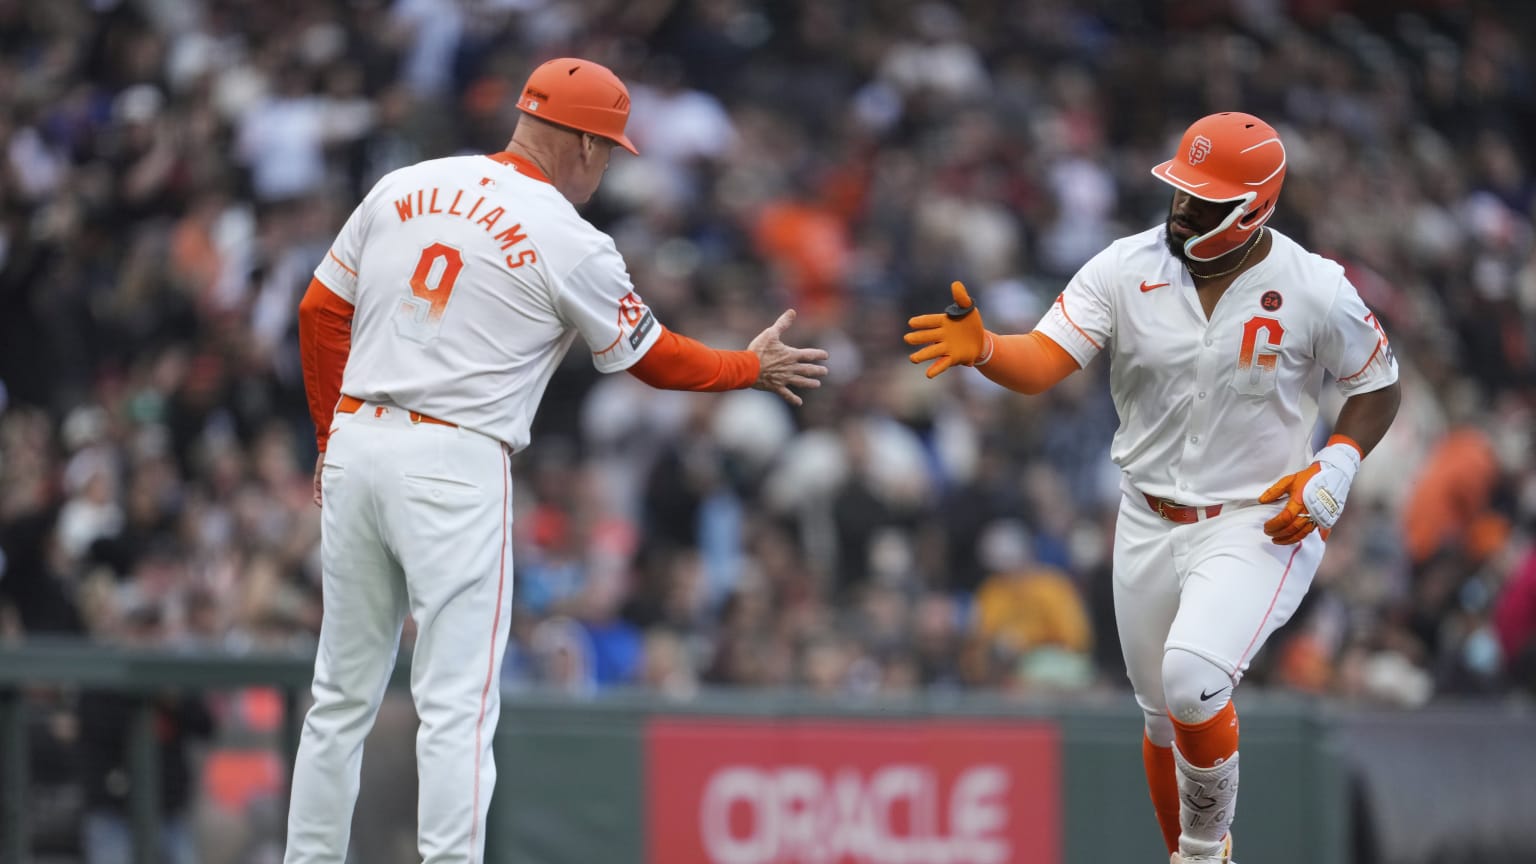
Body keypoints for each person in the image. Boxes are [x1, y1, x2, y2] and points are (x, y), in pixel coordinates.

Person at [286, 57, 828, 864]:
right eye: (608, 149)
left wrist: (331, 439)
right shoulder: (569, 237)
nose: (605, 167)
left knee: (338, 697)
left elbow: (318, 311)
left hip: (359, 437)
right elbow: (656, 358)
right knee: (457, 705)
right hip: (454, 457)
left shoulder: (405, 185)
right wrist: (747, 366)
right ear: (581, 143)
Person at [905, 112, 1400, 863]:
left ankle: (1204, 856)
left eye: (1205, 199)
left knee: (1193, 682)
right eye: (1181, 189)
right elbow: (1043, 361)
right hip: (1145, 515)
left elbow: (1378, 384)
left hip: (1260, 517)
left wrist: (1339, 460)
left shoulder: (1314, 286)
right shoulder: (1122, 265)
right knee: (1161, 718)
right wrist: (987, 351)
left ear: (1254, 209)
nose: (1182, 207)